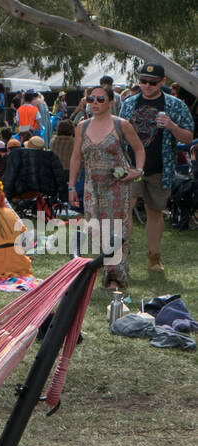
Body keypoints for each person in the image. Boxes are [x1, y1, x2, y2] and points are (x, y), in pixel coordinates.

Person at [117, 63, 195, 275]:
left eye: (152, 82)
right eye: (143, 81)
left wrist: (171, 126)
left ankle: (154, 256)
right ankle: (121, 256)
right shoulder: (129, 103)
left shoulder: (175, 105)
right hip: (131, 167)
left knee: (154, 212)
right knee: (125, 211)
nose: (147, 86)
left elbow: (188, 137)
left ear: (162, 82)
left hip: (161, 167)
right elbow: (118, 133)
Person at [68, 83, 146, 291]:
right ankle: (108, 267)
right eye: (91, 99)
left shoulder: (122, 125)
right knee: (96, 230)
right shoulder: (82, 127)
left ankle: (115, 277)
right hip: (92, 186)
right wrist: (71, 187)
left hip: (117, 186)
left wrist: (138, 171)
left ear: (111, 102)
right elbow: (76, 157)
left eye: (100, 99)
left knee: (117, 231)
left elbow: (139, 149)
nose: (94, 103)